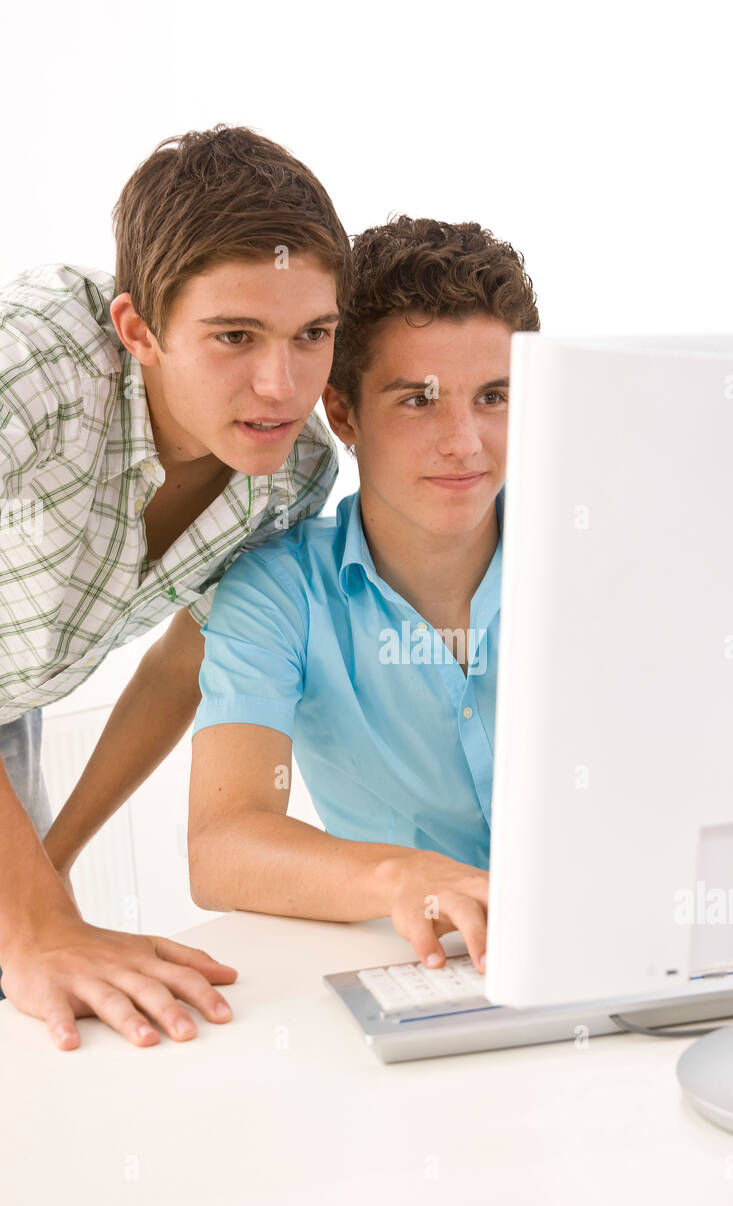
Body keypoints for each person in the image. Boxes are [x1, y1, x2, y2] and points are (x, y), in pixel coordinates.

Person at [0, 124, 350, 1050]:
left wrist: (50, 869)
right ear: (138, 330)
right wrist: (33, 921)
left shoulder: (292, 470)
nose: (281, 385)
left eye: (312, 335)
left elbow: (178, 667)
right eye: (235, 336)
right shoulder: (38, 359)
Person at [188, 216, 540, 974]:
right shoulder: (281, 593)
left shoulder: (593, 559)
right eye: (419, 401)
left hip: (616, 945)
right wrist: (397, 877)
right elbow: (222, 845)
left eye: (493, 397)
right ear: (343, 413)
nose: (464, 441)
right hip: (422, 968)